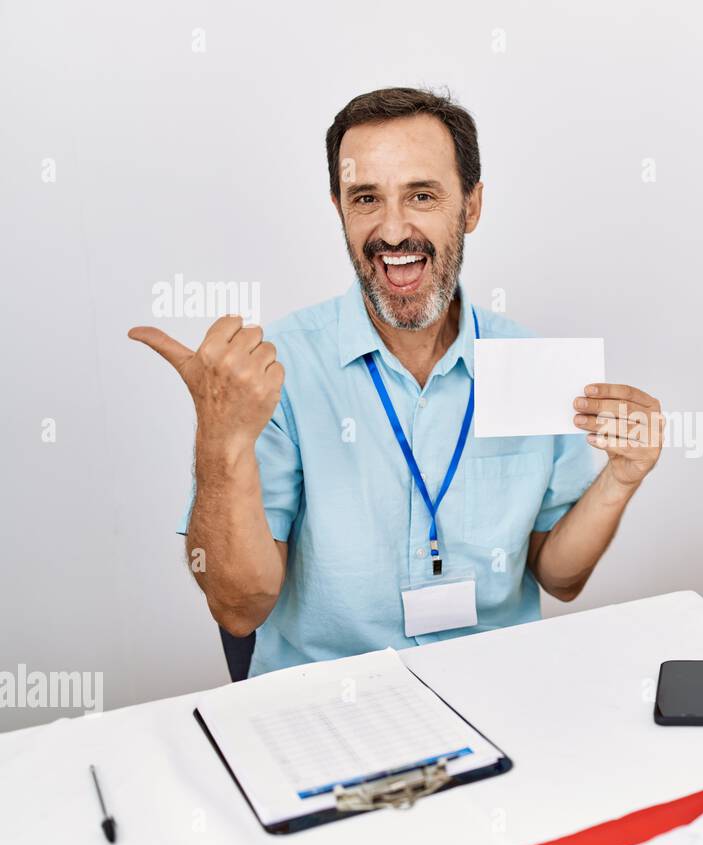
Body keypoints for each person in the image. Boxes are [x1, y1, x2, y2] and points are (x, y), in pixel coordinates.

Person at [128, 87, 663, 676]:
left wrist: (620, 479)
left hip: (499, 689)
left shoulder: (530, 363)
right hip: (330, 701)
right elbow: (238, 609)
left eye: (422, 195)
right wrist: (219, 440)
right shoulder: (272, 374)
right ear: (340, 210)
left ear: (472, 206)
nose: (392, 231)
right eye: (366, 198)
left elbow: (560, 578)